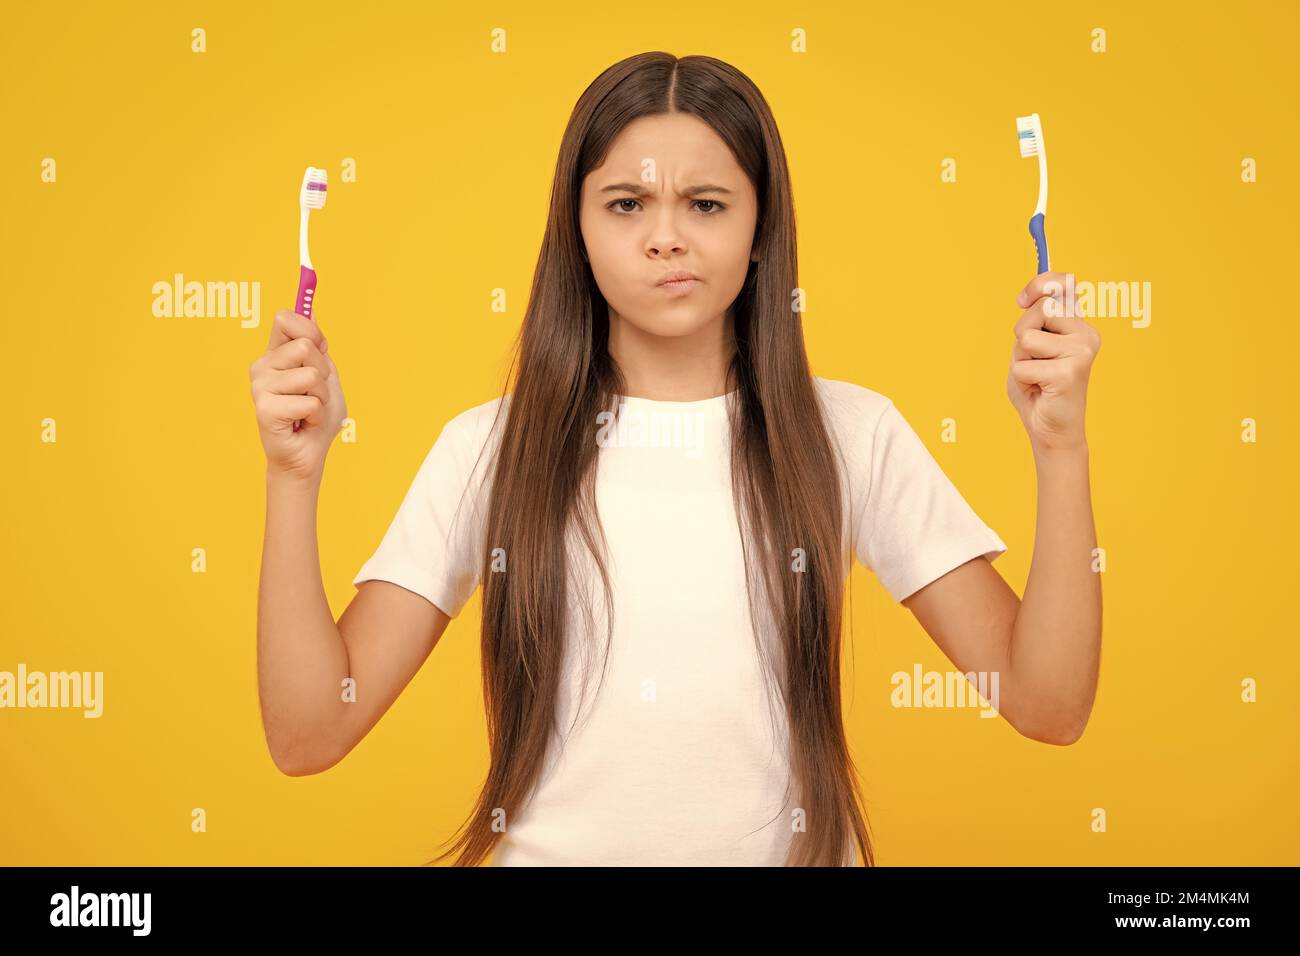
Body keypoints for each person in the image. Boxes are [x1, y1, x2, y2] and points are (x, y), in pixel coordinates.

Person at [248, 52, 1103, 867]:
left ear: (762, 226)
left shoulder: (853, 435)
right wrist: (294, 479)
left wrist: (1059, 446)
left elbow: (1049, 703)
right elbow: (309, 734)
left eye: (706, 204)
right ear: (575, 229)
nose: (666, 238)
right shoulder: (489, 450)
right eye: (625, 204)